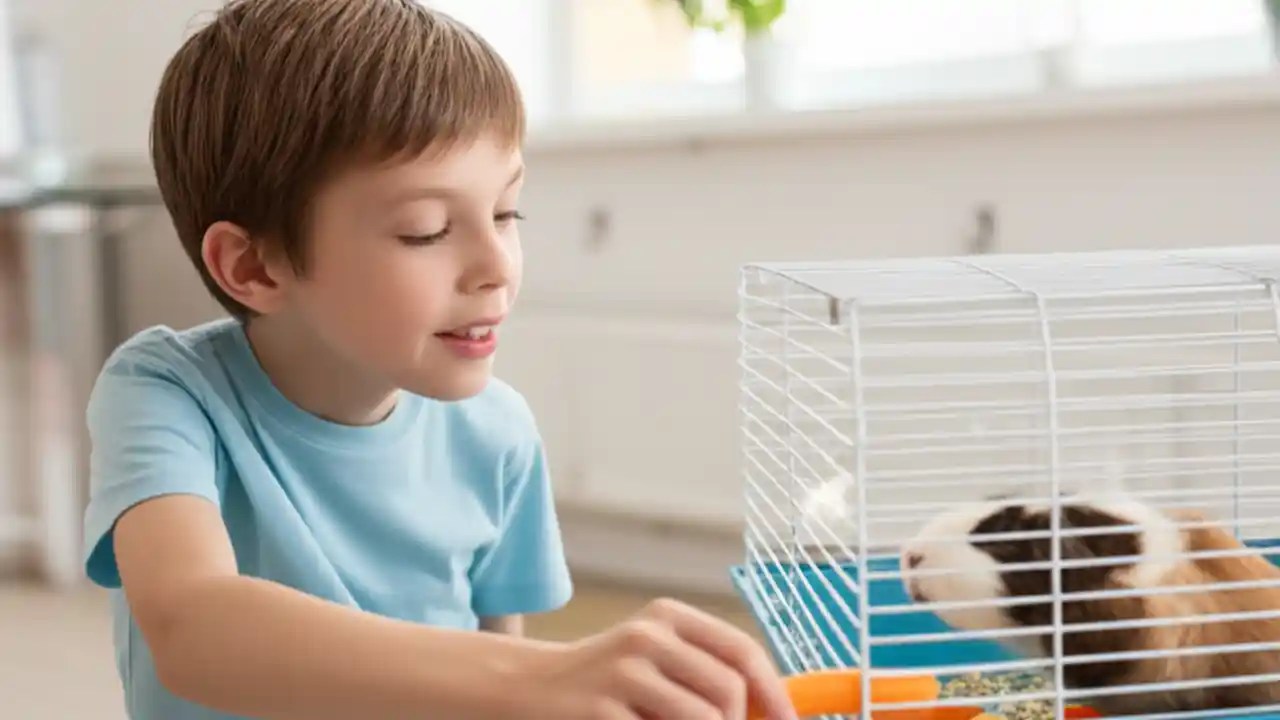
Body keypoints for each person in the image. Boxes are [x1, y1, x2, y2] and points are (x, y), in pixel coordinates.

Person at [81, 1, 798, 718]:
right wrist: (544, 676)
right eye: (427, 231)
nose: (497, 266)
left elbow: (496, 675)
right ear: (254, 267)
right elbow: (191, 627)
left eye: (507, 213)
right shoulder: (166, 392)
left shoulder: (499, 432)